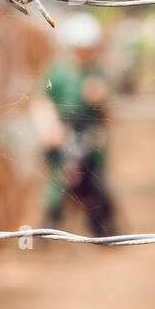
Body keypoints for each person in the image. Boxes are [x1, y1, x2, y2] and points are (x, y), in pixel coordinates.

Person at [33, 12, 117, 236]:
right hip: (64, 134)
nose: (85, 54)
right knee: (59, 183)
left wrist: (101, 99)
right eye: (81, 48)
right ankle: (49, 228)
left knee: (96, 183)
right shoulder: (58, 72)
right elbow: (43, 100)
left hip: (90, 136)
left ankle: (100, 228)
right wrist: (49, 128)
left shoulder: (97, 73)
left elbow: (111, 112)